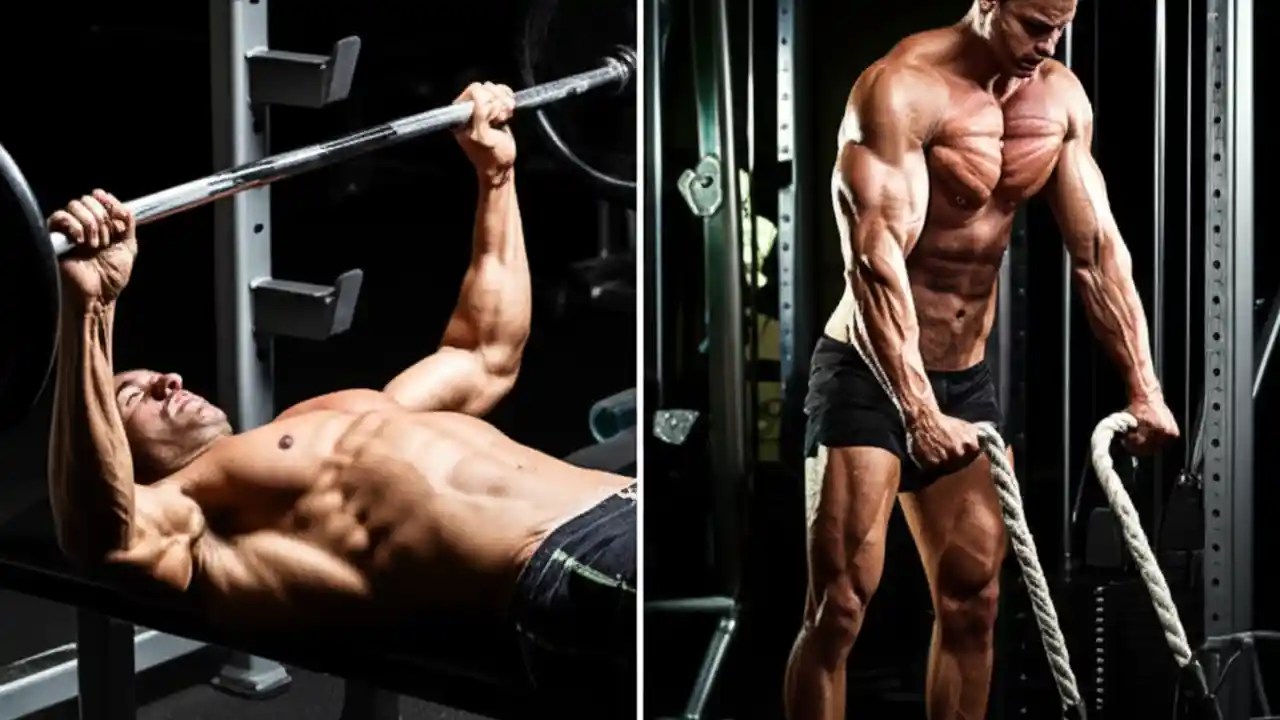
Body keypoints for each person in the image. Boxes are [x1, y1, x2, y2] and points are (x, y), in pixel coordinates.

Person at [46, 82, 635, 713]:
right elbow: (102, 536)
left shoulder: (337, 413)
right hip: (566, 564)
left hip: (626, 507)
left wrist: (496, 173)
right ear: (114, 455)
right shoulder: (193, 520)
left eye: (154, 376)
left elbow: (483, 355)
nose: (167, 382)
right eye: (130, 396)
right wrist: (92, 308)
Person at [785, 1, 1180, 718]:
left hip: (963, 379)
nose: (1047, 43)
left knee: (974, 599)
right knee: (840, 604)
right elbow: (874, 264)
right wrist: (916, 409)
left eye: (1060, 26)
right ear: (987, 4)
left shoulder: (1057, 99)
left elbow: (1097, 253)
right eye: (1033, 24)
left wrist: (1143, 386)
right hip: (868, 371)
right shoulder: (901, 89)